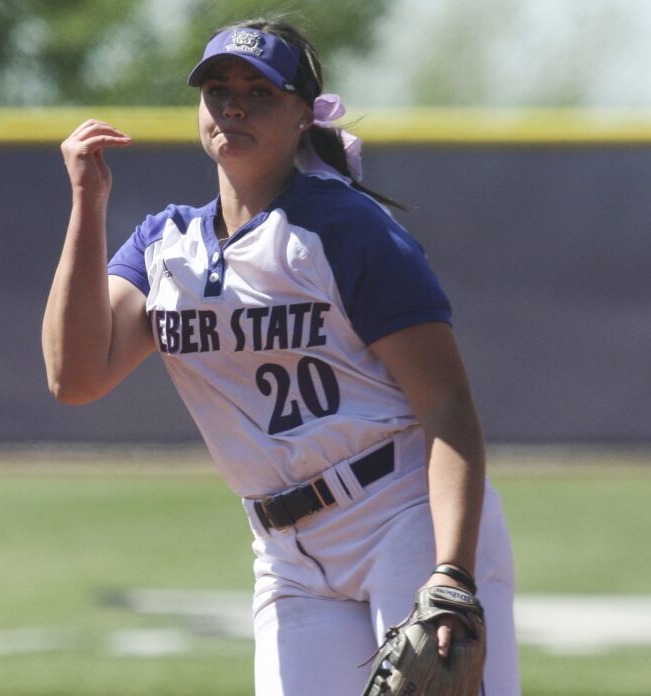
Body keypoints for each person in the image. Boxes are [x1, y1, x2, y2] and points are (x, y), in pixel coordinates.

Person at [41, 16, 521, 696]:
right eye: (217, 90)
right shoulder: (165, 244)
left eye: (259, 92)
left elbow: (447, 406)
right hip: (286, 552)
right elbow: (75, 376)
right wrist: (86, 203)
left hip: (402, 516)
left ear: (304, 114)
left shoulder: (347, 230)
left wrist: (452, 572)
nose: (233, 106)